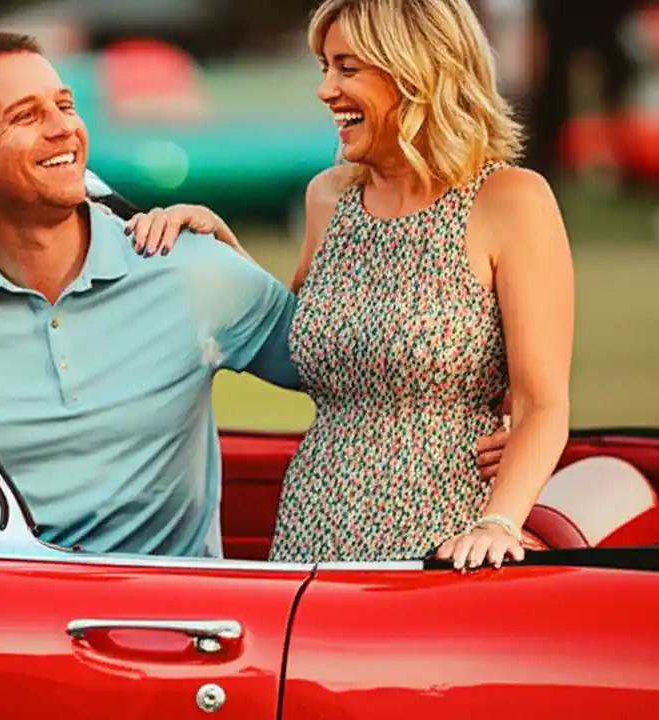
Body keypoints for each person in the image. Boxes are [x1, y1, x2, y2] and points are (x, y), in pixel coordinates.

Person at [0, 31, 508, 559]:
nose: (62, 129)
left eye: (65, 105)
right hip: (8, 636)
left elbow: (346, 359)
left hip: (175, 632)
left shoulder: (187, 271)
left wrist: (496, 408)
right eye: (27, 117)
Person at [128, 0, 572, 571]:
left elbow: (544, 404)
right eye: (324, 68)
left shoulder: (511, 199)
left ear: (414, 70)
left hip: (448, 541)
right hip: (309, 530)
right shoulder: (328, 197)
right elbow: (308, 344)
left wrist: (498, 523)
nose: (325, 90)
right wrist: (222, 251)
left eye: (347, 68)